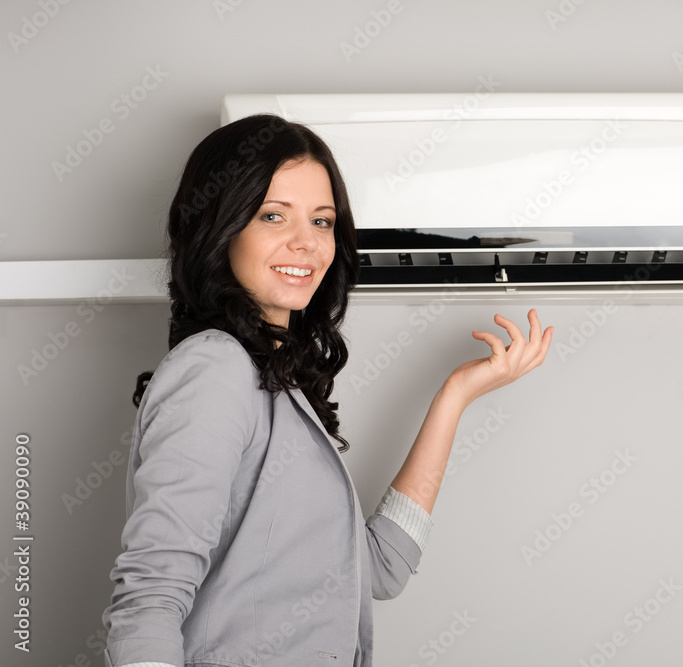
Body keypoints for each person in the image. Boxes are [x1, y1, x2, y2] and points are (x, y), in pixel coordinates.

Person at [101, 114, 553, 667]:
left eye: (322, 221)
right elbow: (150, 596)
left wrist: (456, 395)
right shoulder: (213, 368)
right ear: (220, 227)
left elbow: (379, 568)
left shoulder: (276, 387)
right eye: (273, 216)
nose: (306, 243)